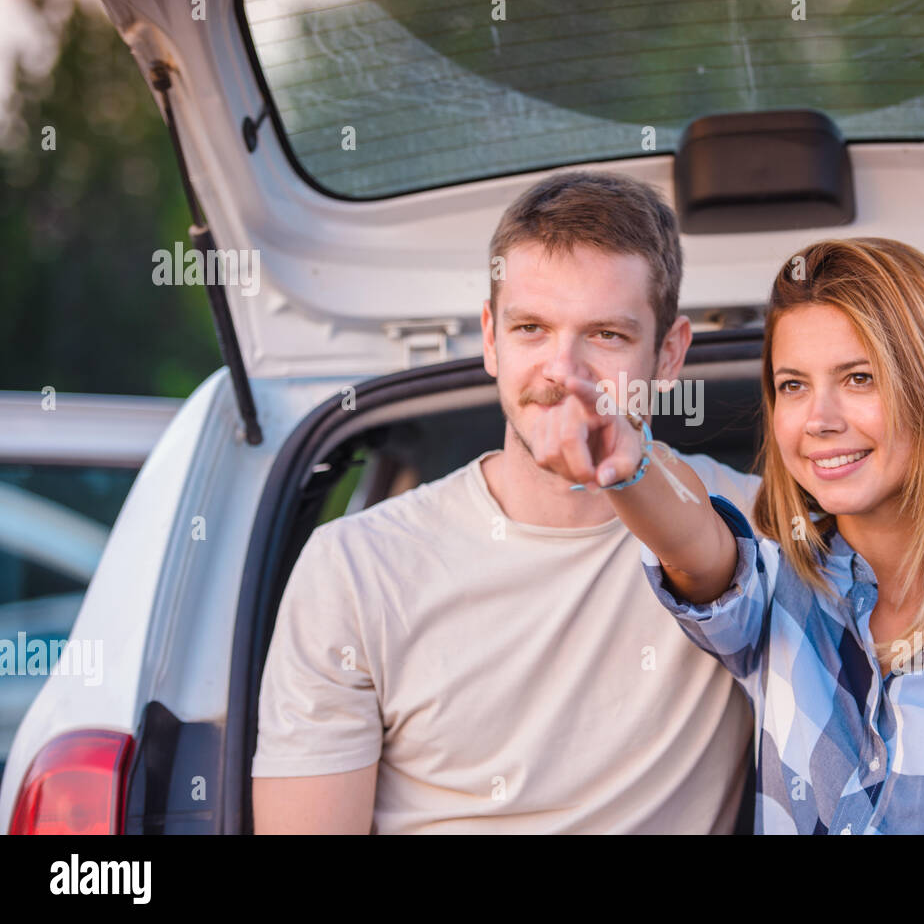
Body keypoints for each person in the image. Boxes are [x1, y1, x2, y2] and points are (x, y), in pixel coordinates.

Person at [533, 237, 924, 834]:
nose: (819, 420)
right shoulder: (779, 584)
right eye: (792, 385)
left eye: (859, 378)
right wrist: (630, 464)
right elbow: (696, 543)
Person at [250, 171, 759, 833]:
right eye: (532, 328)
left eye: (606, 334)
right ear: (490, 337)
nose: (563, 371)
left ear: (668, 353)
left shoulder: (751, 518)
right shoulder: (354, 568)